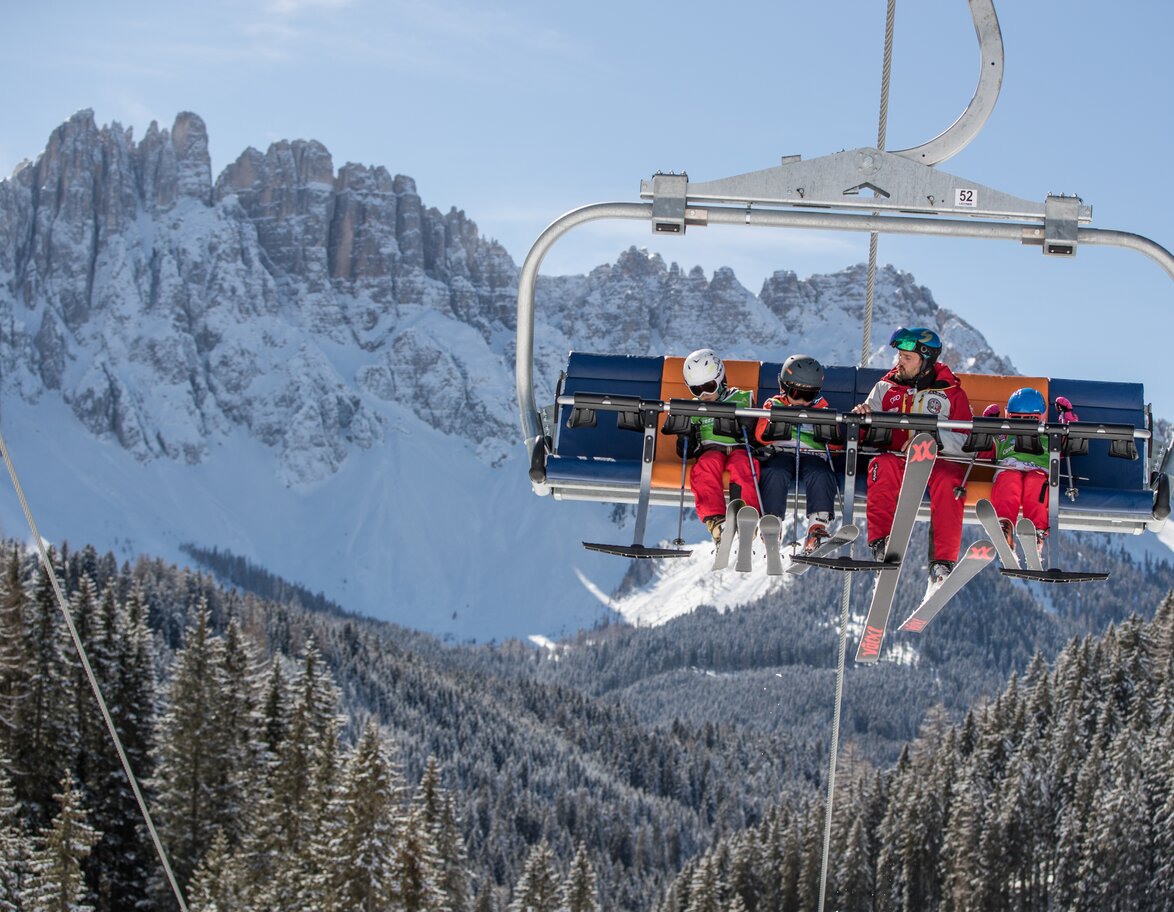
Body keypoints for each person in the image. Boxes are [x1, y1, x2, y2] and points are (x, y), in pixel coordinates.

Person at [852, 327, 973, 587]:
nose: (900, 362)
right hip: (896, 457)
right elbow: (866, 431)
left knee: (950, 482)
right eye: (900, 356)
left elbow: (966, 442)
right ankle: (882, 545)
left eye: (907, 358)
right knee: (880, 466)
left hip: (936, 461)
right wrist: (863, 419)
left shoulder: (951, 393)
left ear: (926, 360)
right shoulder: (886, 388)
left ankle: (942, 562)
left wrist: (932, 438)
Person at [754, 354, 839, 553]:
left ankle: (817, 526)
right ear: (783, 387)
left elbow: (835, 447)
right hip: (781, 453)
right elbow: (760, 436)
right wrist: (777, 419)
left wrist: (827, 428)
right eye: (795, 393)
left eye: (807, 396)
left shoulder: (823, 410)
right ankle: (772, 521)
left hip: (813, 455)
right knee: (775, 472)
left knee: (823, 475)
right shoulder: (773, 405)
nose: (801, 401)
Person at [678, 348, 761, 543]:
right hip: (711, 451)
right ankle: (716, 520)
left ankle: (745, 516)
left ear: (721, 379)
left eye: (709, 386)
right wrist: (685, 436)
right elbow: (686, 448)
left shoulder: (741, 399)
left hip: (739, 449)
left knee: (745, 465)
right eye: (697, 390)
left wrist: (748, 425)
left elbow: (758, 433)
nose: (704, 394)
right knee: (705, 467)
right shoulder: (693, 408)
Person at [981, 387, 1074, 559]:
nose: (1023, 423)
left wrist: (1066, 417)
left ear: (1040, 418)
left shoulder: (1048, 435)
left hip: (1038, 471)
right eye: (1017, 419)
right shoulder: (1003, 434)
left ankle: (1035, 531)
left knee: (1035, 483)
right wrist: (988, 426)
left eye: (1029, 419)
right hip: (1010, 468)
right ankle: (1005, 527)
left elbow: (1069, 441)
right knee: (1009, 481)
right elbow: (984, 453)